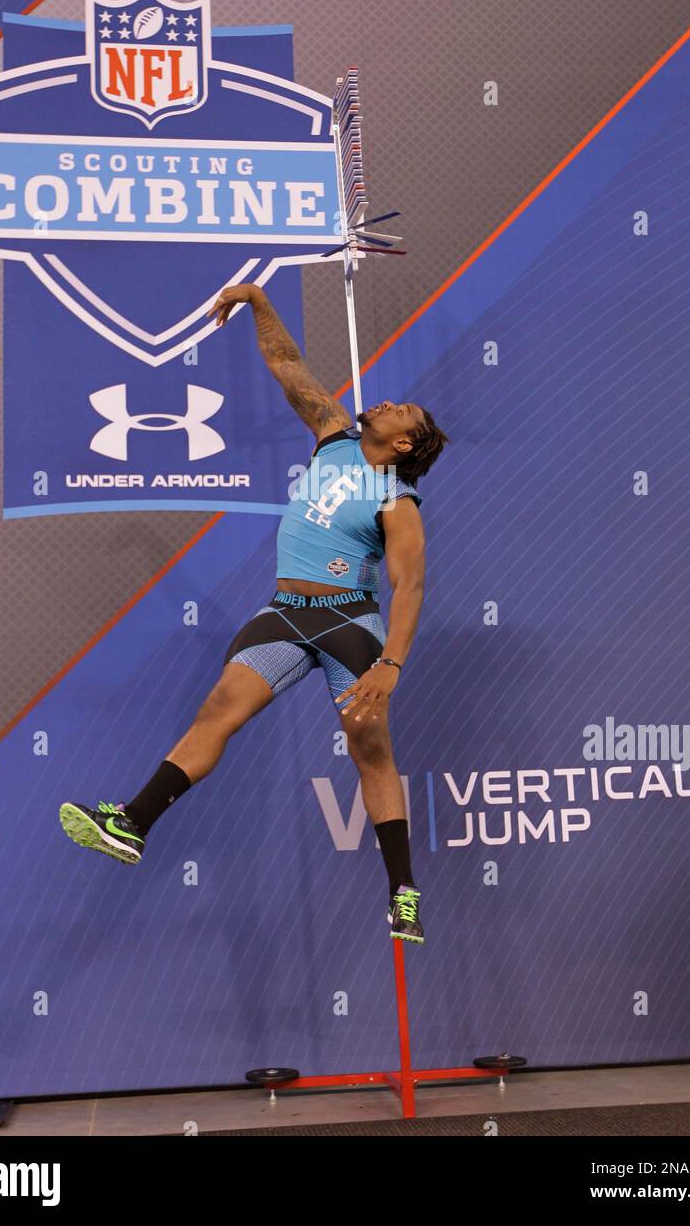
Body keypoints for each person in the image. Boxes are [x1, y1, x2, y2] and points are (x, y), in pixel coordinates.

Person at [59, 282, 449, 943]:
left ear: (405, 444)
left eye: (398, 410)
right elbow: (287, 366)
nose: (382, 402)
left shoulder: (398, 505)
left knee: (370, 749)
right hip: (286, 614)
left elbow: (409, 589)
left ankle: (402, 890)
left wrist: (391, 664)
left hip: (351, 626)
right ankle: (132, 825)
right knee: (219, 707)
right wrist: (257, 300)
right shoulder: (333, 437)